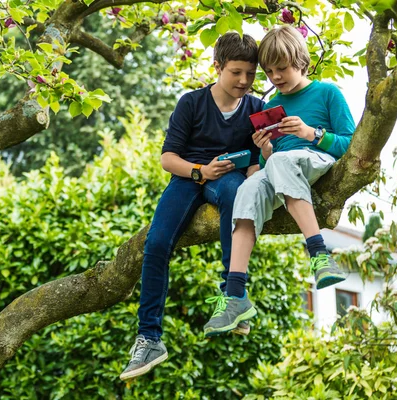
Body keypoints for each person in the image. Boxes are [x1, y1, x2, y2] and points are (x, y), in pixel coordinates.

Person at [120, 32, 264, 380]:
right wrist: (200, 170)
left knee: (238, 195)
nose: (244, 81)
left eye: (250, 73)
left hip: (230, 177)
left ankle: (234, 296)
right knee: (155, 244)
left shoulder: (257, 109)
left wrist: (263, 155)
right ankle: (149, 338)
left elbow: (257, 166)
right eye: (235, 72)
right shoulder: (191, 103)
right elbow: (168, 158)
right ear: (217, 67)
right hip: (188, 177)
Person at [203, 25, 356, 337]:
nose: (275, 77)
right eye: (269, 71)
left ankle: (319, 254)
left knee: (283, 162)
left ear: (301, 60)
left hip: (316, 160)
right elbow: (268, 163)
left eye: (282, 68)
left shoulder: (328, 93)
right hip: (280, 167)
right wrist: (265, 149)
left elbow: (351, 145)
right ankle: (235, 294)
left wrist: (311, 133)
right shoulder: (270, 106)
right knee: (246, 189)